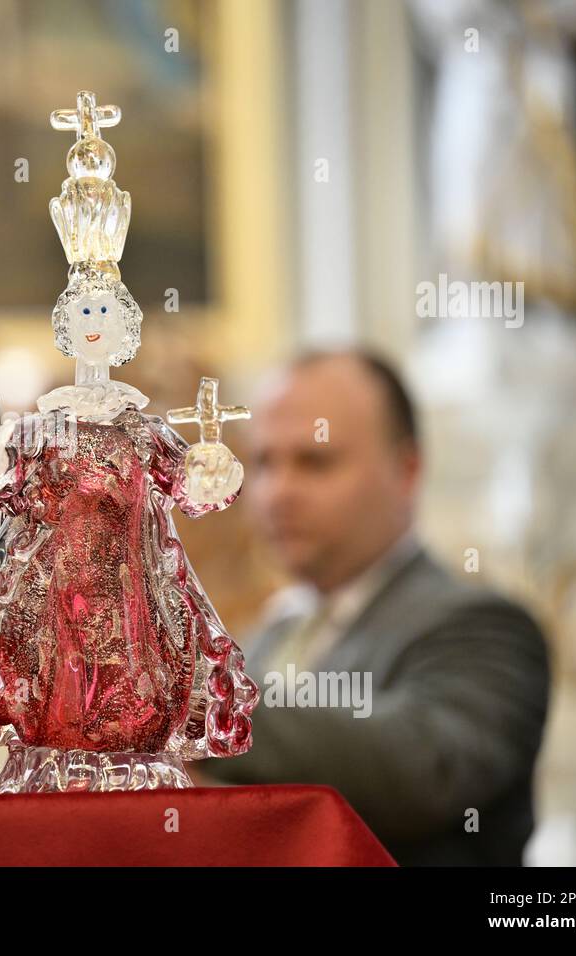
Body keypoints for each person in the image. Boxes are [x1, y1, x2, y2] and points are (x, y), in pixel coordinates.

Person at [198, 349, 551, 866]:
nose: (277, 493)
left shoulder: (484, 625)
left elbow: (421, 769)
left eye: (314, 461)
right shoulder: (268, 632)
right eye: (264, 462)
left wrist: (189, 703)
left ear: (406, 471)